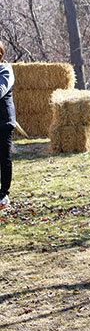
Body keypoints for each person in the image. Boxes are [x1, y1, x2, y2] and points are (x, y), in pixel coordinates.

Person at [0, 41, 15, 209]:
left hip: (4, 122)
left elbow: (1, 90)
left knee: (4, 159)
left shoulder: (5, 69)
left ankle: (3, 194)